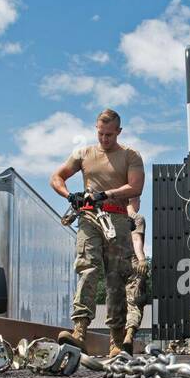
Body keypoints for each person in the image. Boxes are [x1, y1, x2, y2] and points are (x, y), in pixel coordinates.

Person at [50, 109, 144, 355]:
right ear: (96, 130)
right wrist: (70, 195)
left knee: (116, 277)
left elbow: (136, 186)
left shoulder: (130, 156)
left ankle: (116, 339)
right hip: (90, 217)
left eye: (110, 135)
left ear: (119, 132)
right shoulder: (83, 154)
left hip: (118, 219)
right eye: (101, 134)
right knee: (87, 267)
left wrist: (107, 193)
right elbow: (56, 177)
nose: (105, 139)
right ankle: (79, 331)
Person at [123, 197, 148, 351]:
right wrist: (142, 259)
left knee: (117, 303)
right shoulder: (137, 218)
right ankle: (129, 334)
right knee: (134, 303)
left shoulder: (115, 218)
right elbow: (136, 239)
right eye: (139, 201)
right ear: (135, 201)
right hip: (133, 263)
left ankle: (116, 341)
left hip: (116, 263)